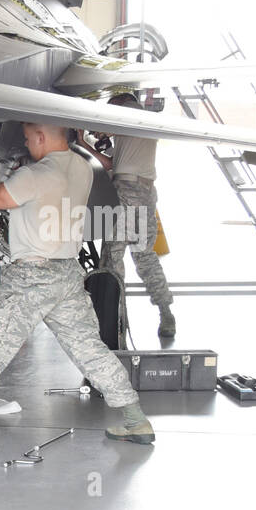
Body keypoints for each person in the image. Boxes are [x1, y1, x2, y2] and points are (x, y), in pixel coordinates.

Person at [0, 122, 155, 444]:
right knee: (90, 350)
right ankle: (136, 420)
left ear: (41, 136)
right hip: (67, 273)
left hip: (30, 277)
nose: (27, 145)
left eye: (28, 139)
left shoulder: (35, 175)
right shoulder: (82, 167)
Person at [90, 94, 175, 338]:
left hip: (125, 193)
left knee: (112, 258)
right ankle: (165, 312)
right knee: (145, 257)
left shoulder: (126, 113)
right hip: (145, 194)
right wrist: (86, 143)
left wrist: (90, 131)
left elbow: (99, 127)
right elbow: (110, 163)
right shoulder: (144, 123)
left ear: (119, 103)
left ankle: (115, 321)